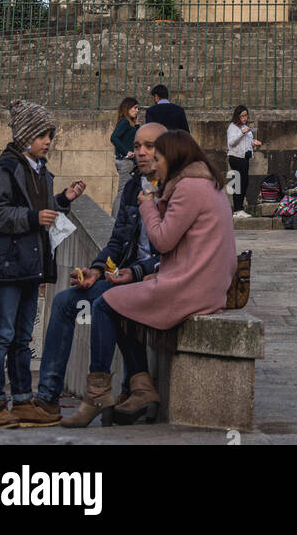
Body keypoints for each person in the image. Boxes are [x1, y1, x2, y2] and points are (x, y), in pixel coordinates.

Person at [78, 129, 236, 426]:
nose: (155, 162)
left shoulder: (190, 187)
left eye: (158, 155)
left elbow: (163, 240)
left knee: (104, 304)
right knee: (120, 302)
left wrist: (148, 203)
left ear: (172, 157)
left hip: (190, 289)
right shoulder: (206, 183)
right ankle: (140, 390)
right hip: (202, 283)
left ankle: (98, 392)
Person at [38, 122, 164, 426]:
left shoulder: (177, 188)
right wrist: (95, 270)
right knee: (67, 300)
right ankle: (47, 398)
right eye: (137, 146)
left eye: (150, 146)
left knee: (107, 304)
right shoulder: (134, 185)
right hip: (126, 275)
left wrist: (133, 272)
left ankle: (100, 394)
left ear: (167, 149)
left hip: (157, 277)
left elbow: (172, 254)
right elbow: (118, 240)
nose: (141, 152)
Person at [0, 100, 86, 428]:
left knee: (23, 337)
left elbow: (40, 211)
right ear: (26, 137)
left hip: (29, 263)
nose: (48, 141)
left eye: (49, 134)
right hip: (8, 264)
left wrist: (63, 200)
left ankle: (23, 400)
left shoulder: (41, 172)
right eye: (42, 135)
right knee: (2, 334)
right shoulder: (7, 169)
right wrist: (32, 216)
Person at [227, 105, 261, 217]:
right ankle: (237, 209)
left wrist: (253, 142)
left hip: (244, 157)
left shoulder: (245, 126)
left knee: (244, 183)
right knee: (239, 183)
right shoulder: (233, 127)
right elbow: (231, 142)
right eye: (242, 116)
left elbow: (245, 142)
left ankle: (239, 208)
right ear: (237, 116)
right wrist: (242, 133)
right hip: (236, 157)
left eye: (246, 115)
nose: (244, 118)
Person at [110, 97, 139, 216]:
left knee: (128, 190)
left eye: (138, 108)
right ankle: (114, 218)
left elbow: (134, 136)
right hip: (125, 162)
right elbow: (114, 137)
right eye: (135, 108)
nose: (137, 111)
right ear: (128, 109)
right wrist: (126, 152)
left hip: (128, 161)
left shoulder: (129, 123)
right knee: (122, 191)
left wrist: (137, 125)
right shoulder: (124, 122)